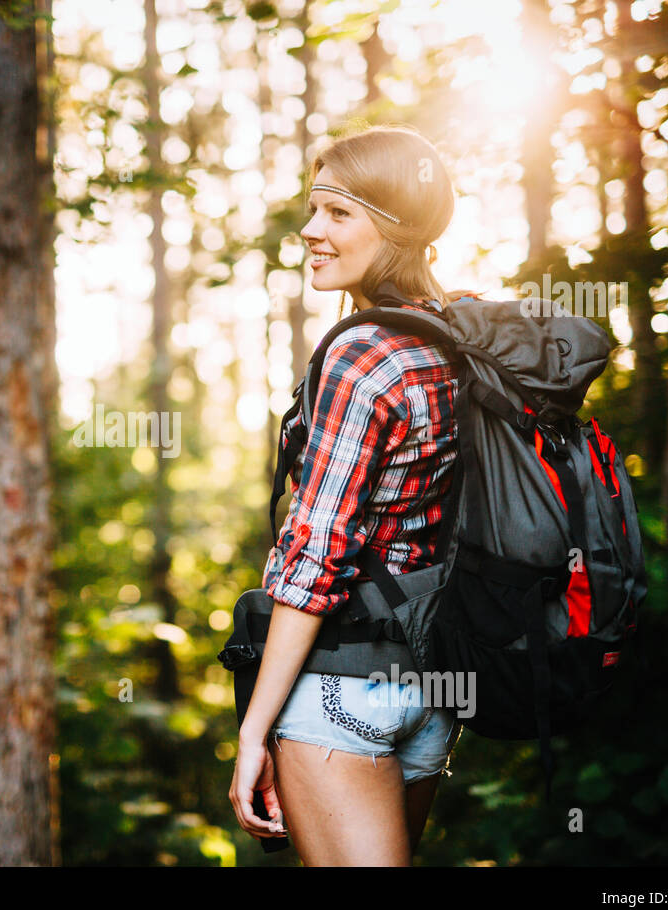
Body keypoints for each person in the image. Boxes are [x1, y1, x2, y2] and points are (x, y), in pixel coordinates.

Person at [228, 125, 474, 866]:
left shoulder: (364, 354)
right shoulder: (458, 334)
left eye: (338, 214)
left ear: (393, 228)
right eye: (313, 211)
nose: (310, 231)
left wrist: (251, 732)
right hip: (435, 687)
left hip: (343, 692)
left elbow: (314, 558)